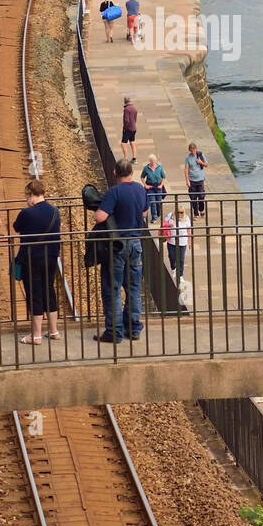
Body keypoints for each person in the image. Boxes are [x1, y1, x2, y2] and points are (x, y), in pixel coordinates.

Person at [94, 159, 148, 342]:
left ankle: (114, 332)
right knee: (133, 287)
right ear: (131, 172)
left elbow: (99, 217)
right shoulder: (140, 189)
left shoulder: (114, 192)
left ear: (115, 173)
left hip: (118, 245)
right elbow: (144, 212)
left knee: (113, 288)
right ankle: (133, 329)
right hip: (136, 243)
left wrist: (111, 214)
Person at [13, 178, 60, 344]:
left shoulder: (27, 212)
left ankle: (36, 335)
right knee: (49, 290)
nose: (27, 200)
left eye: (28, 197)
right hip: (52, 256)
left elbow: (16, 227)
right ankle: (54, 330)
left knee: (34, 294)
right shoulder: (55, 211)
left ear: (32, 195)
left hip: (32, 258)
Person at [162, 197, 192, 279]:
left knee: (181, 259)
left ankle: (181, 275)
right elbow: (163, 225)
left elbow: (189, 231)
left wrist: (190, 242)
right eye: (178, 212)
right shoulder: (170, 216)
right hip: (171, 241)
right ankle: (173, 268)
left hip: (182, 242)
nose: (180, 214)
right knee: (172, 257)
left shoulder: (187, 219)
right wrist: (169, 225)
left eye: (181, 213)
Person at [184, 142, 209, 216]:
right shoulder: (188, 158)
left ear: (196, 149)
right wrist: (187, 180)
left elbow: (206, 164)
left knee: (201, 196)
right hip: (192, 180)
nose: (193, 152)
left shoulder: (200, 155)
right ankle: (196, 213)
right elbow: (186, 169)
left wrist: (201, 162)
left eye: (194, 150)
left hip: (200, 180)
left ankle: (201, 209)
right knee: (193, 197)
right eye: (191, 151)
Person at [140, 154, 166, 220]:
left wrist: (161, 185)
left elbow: (164, 177)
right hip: (150, 187)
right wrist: (145, 185)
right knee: (152, 202)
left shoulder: (160, 167)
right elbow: (142, 177)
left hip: (158, 186)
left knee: (158, 202)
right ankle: (154, 216)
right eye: (151, 160)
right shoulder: (146, 168)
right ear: (149, 161)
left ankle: (158, 213)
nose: (153, 162)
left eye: (154, 160)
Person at [121, 95, 138, 160]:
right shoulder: (134, 108)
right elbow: (135, 118)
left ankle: (125, 158)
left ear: (125, 101)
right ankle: (134, 158)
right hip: (134, 128)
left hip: (128, 129)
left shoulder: (126, 109)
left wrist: (124, 128)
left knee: (123, 143)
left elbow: (126, 120)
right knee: (132, 142)